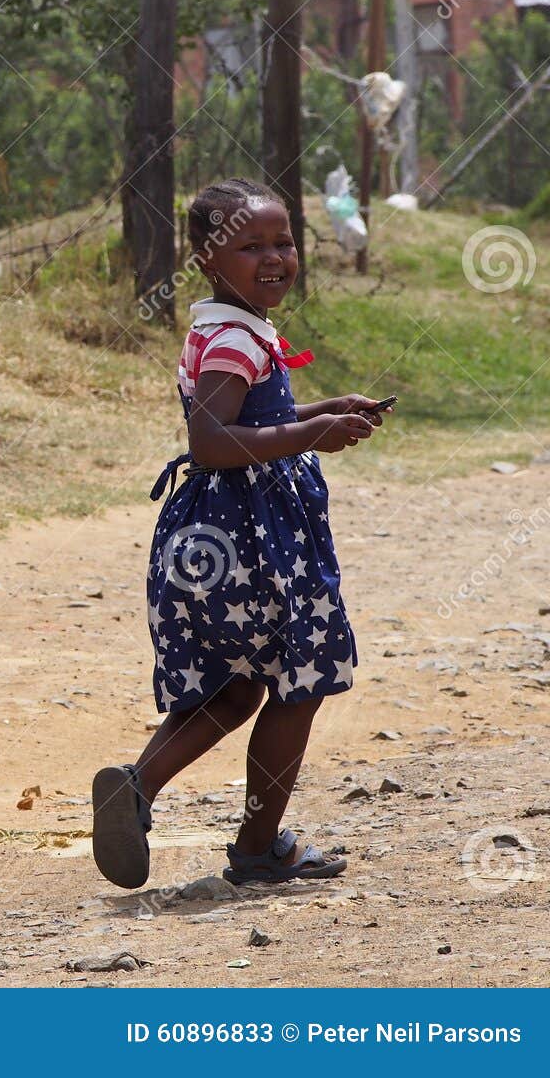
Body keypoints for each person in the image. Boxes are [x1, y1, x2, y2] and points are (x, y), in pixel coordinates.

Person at [92, 178, 388, 890]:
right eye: (250, 246)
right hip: (251, 542)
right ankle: (258, 846)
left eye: (282, 241)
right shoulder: (232, 334)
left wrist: (324, 405)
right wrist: (313, 431)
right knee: (299, 682)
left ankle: (136, 787)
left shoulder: (232, 326)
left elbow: (248, 417)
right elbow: (214, 440)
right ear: (208, 262)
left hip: (217, 539)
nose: (274, 257)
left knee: (232, 689)